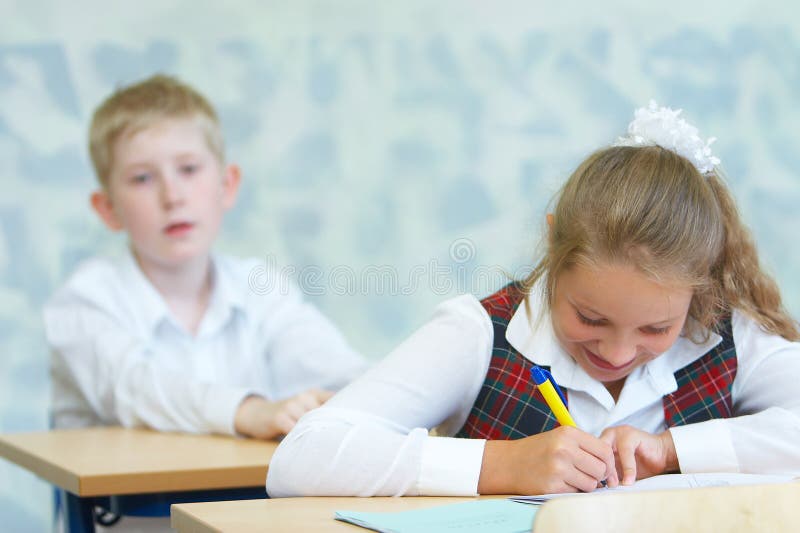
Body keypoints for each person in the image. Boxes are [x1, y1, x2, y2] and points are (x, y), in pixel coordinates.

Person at [266, 102, 800, 498]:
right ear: (553, 245)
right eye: (590, 317)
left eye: (655, 329)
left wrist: (671, 451)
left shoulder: (723, 335)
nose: (617, 353)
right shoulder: (480, 335)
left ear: (700, 285)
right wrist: (502, 466)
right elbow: (303, 457)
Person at [44, 74, 367, 442]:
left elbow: (337, 370)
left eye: (189, 169)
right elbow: (137, 389)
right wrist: (250, 411)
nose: (173, 196)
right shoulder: (83, 302)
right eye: (143, 178)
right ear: (108, 209)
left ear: (226, 185)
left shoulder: (259, 289)